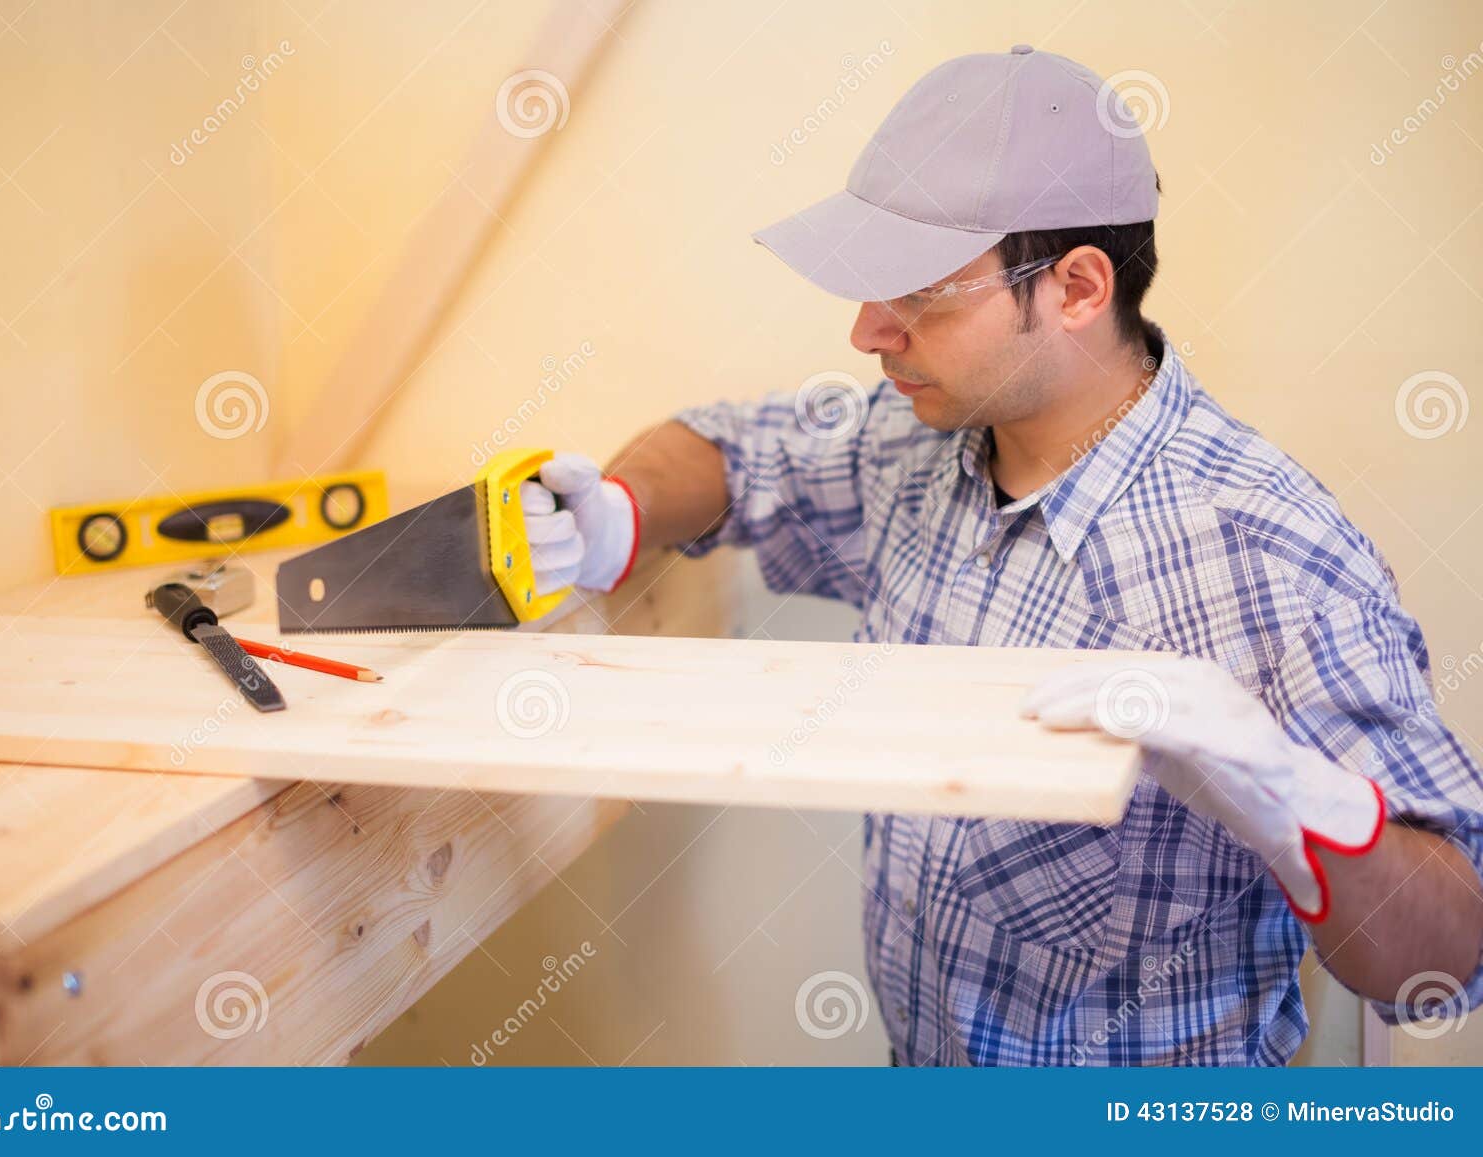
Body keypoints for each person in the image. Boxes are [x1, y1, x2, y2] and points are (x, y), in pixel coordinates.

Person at [517, 46, 1483, 1065]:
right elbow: (725, 450)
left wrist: (1303, 807)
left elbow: (1447, 960)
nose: (864, 331)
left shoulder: (1263, 556)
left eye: (919, 294)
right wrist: (617, 510)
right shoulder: (912, 450)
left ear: (1074, 287)